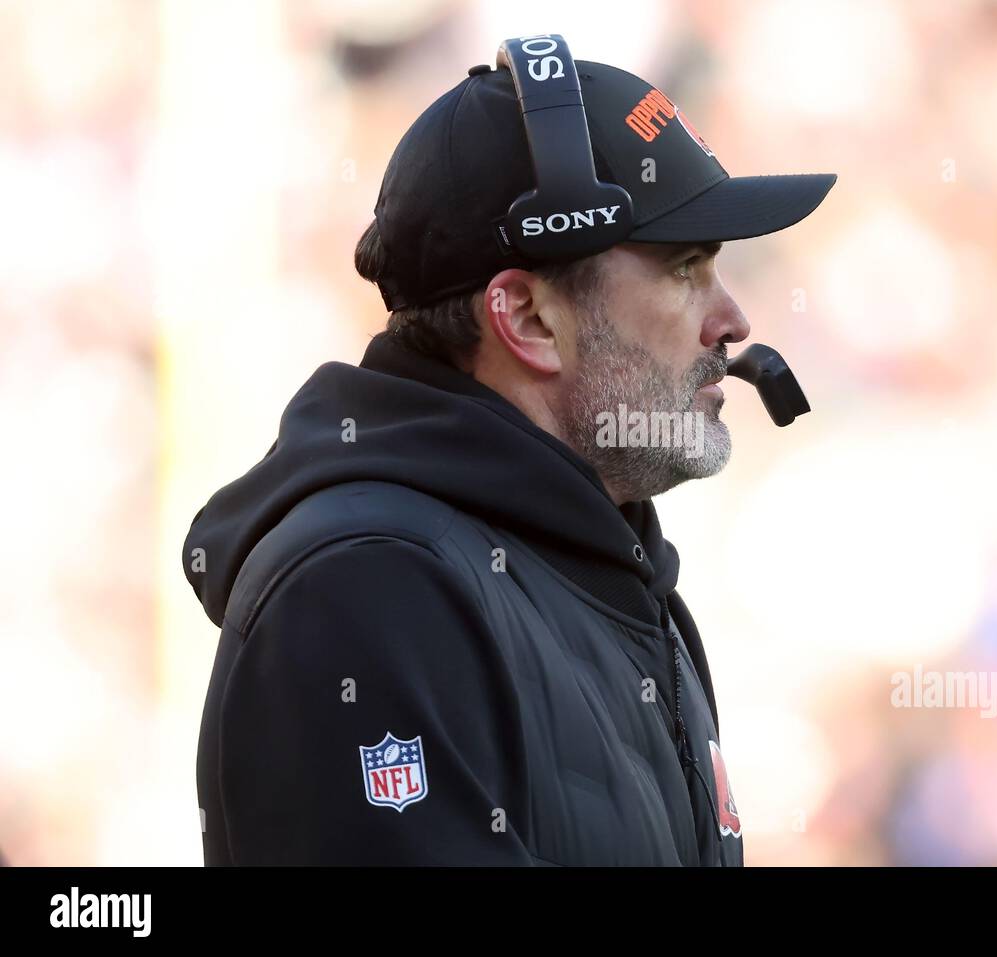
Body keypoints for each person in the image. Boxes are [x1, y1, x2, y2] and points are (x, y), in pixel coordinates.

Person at [184, 47, 835, 865]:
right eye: (683, 269)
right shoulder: (367, 587)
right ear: (526, 320)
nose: (733, 321)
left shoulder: (617, 576)